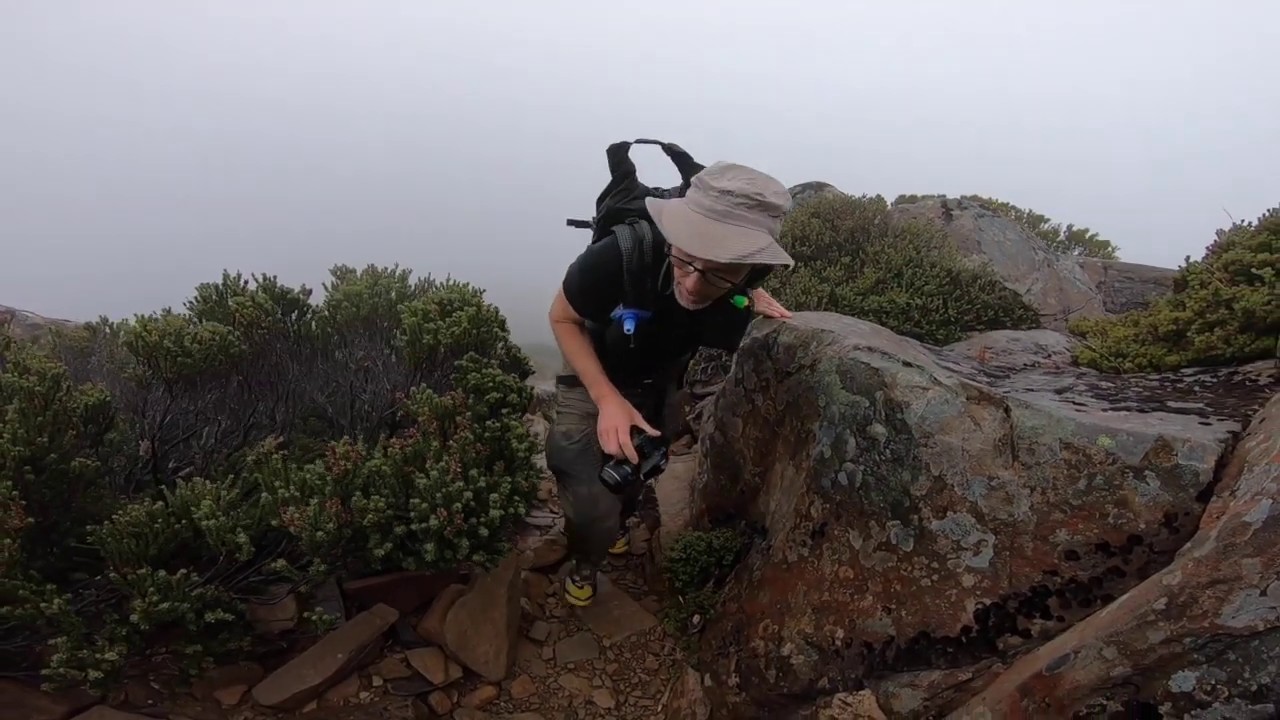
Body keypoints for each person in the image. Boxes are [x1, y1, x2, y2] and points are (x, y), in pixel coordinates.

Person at [545, 160, 796, 607]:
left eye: (720, 271)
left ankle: (619, 521)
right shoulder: (621, 255)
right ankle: (587, 557)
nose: (695, 284)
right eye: (686, 258)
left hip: (658, 380)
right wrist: (606, 399)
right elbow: (563, 317)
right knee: (589, 497)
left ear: (753, 269)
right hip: (595, 371)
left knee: (641, 464)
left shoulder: (740, 291)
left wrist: (741, 294)